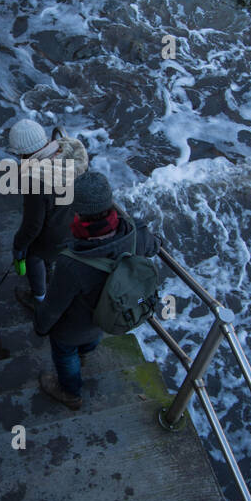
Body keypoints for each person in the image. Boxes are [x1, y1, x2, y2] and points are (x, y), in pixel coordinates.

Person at [33, 172, 159, 410]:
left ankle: (70, 392)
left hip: (73, 328)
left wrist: (40, 327)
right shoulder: (137, 234)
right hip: (108, 315)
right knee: (91, 339)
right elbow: (155, 246)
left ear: (78, 213)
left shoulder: (71, 263)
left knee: (65, 354)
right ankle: (85, 354)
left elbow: (53, 307)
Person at [6, 119, 89, 312]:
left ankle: (39, 298)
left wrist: (19, 246)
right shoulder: (73, 154)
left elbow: (32, 225)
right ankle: (52, 274)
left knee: (34, 257)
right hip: (77, 224)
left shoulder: (36, 179)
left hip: (53, 234)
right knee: (56, 256)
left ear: (24, 152)